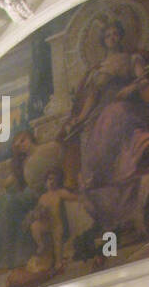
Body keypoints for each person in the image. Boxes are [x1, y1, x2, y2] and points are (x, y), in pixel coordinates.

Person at [58, 19, 149, 234]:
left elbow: (142, 79)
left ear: (121, 36)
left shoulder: (131, 58)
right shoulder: (97, 70)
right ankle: (110, 212)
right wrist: (79, 119)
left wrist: (131, 88)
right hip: (102, 113)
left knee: (115, 113)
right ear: (103, 41)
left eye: (116, 34)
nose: (112, 38)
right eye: (108, 35)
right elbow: (92, 96)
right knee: (93, 138)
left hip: (129, 107)